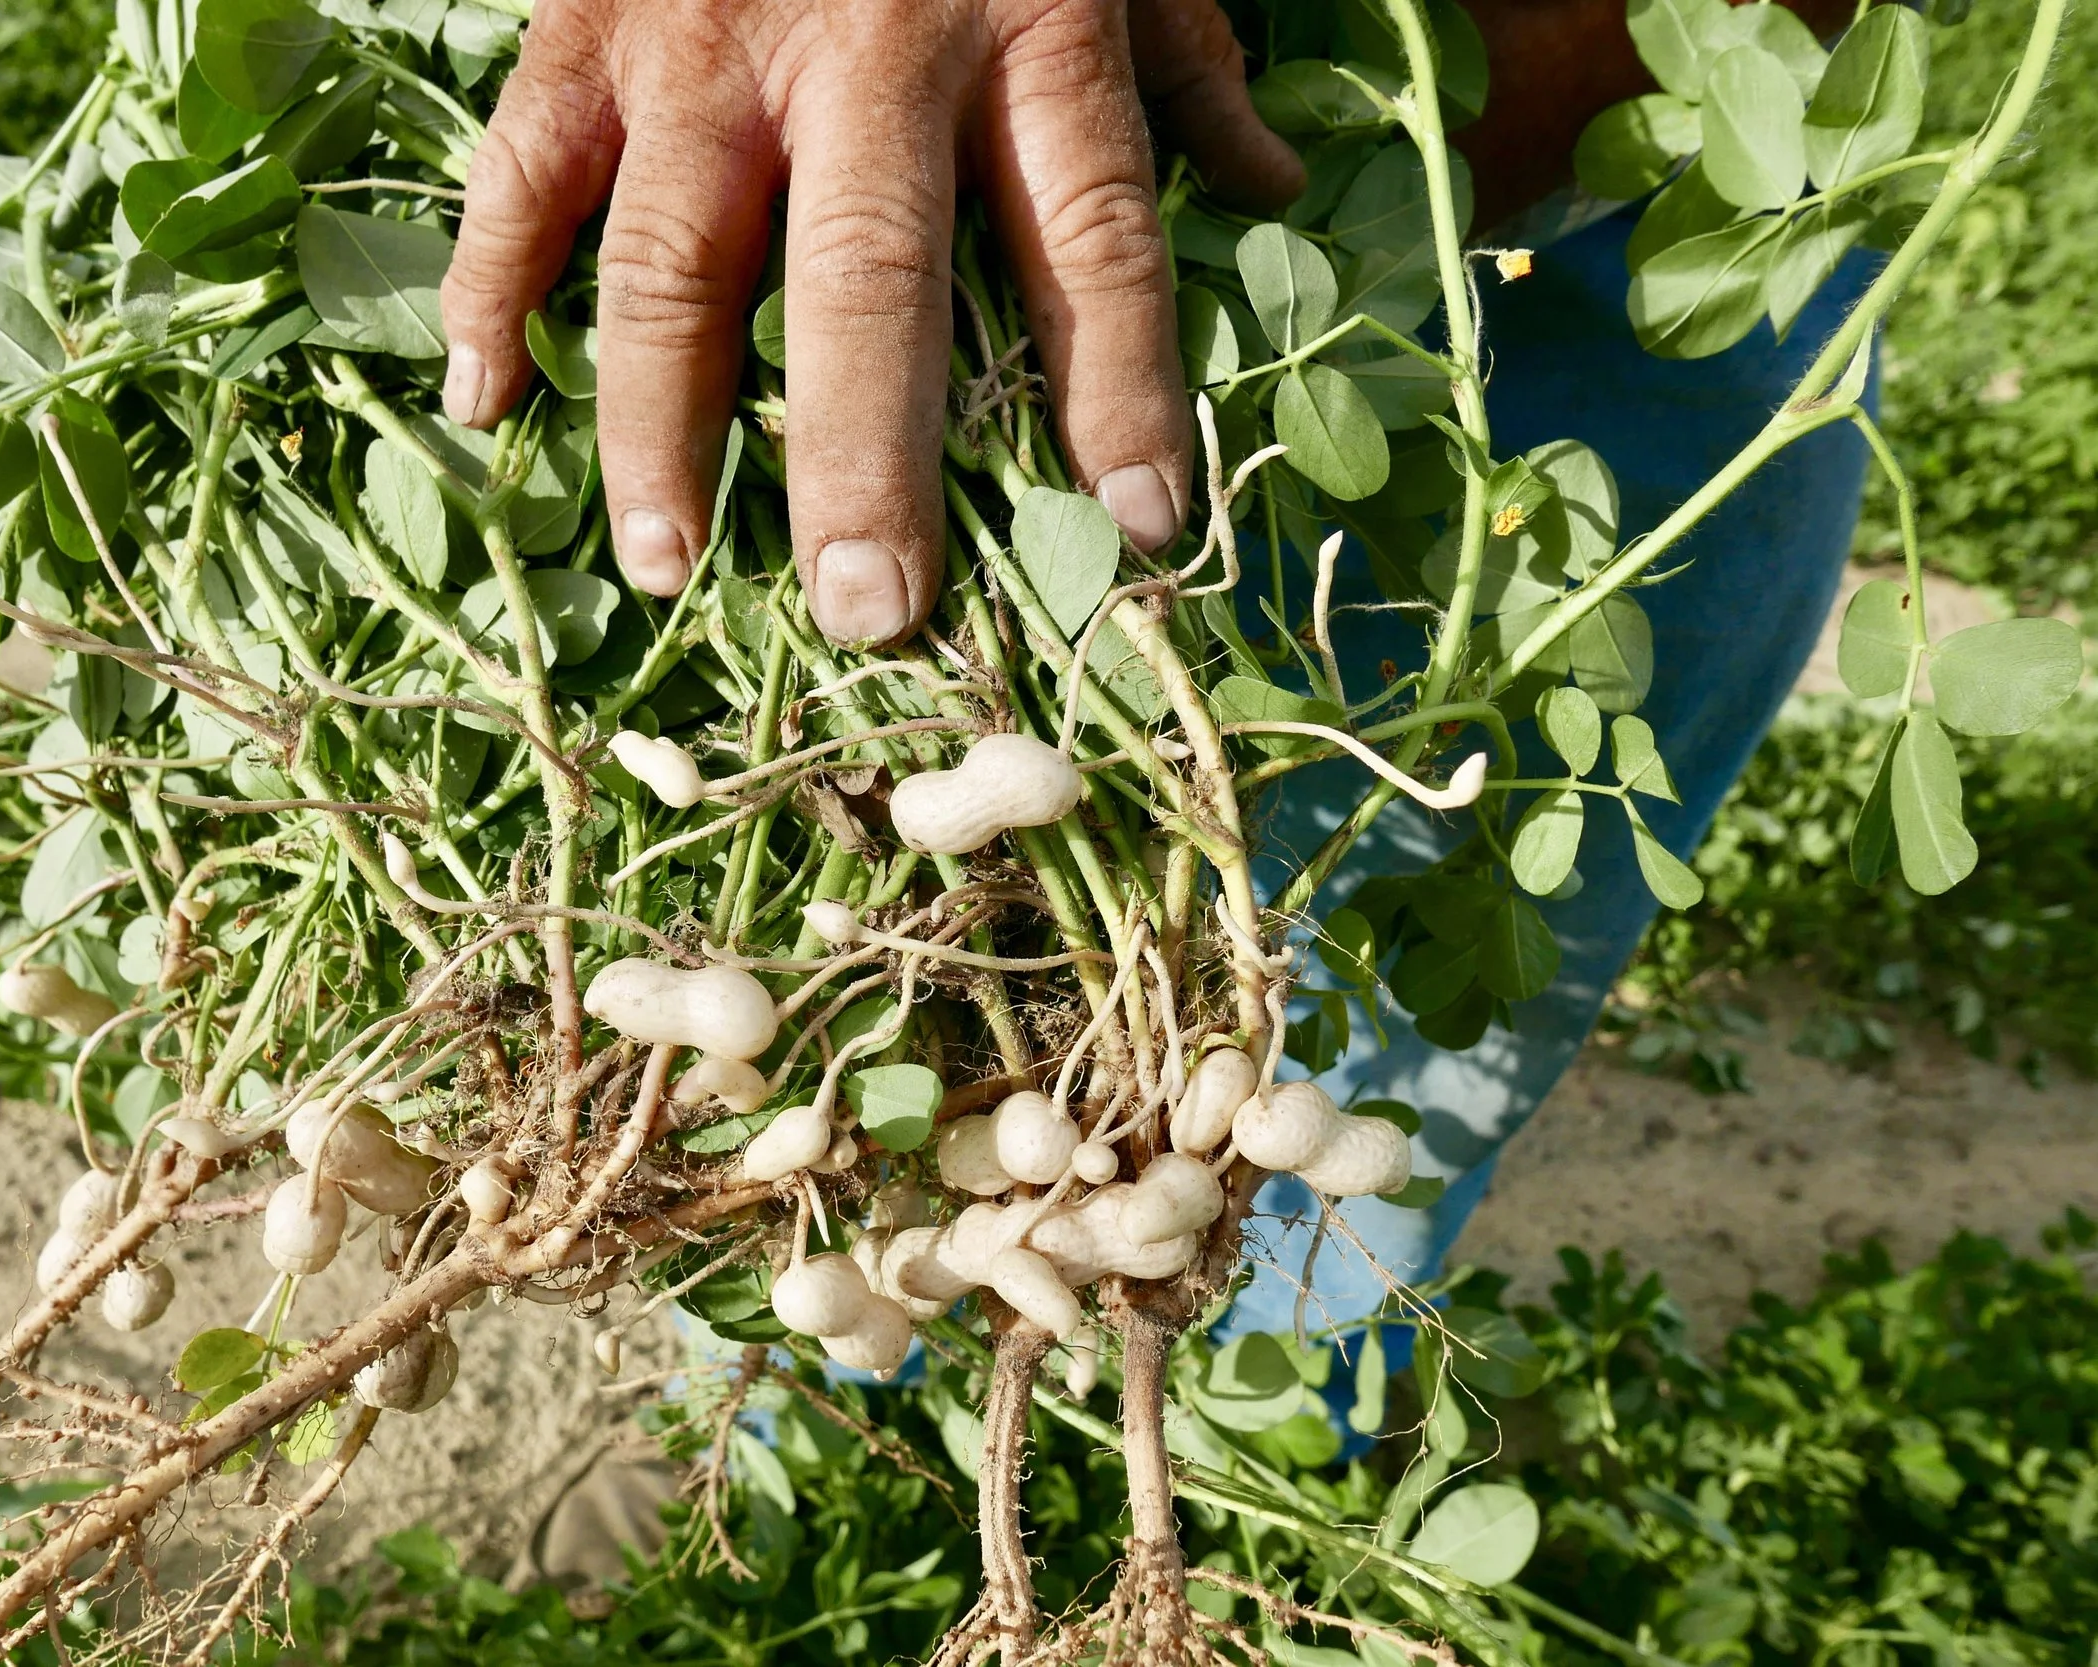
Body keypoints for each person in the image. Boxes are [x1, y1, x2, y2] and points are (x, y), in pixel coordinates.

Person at [442, 0, 1872, 1355]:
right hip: (867, 118)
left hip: (1579, 214)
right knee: (870, 1070)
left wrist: (1360, 178)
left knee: (1369, 1007)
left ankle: (1285, 1410)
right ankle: (812, 1433)